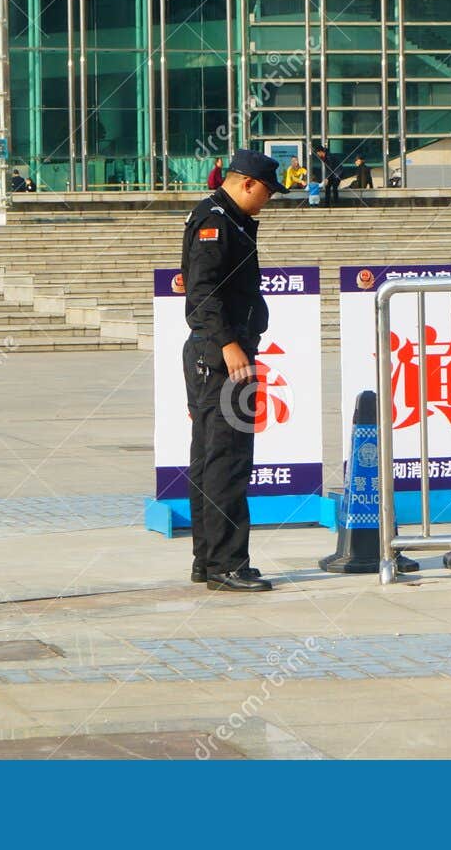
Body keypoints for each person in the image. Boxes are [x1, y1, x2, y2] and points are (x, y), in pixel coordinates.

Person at [181, 149, 282, 592]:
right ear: (246, 183)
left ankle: (209, 559)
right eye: (266, 192)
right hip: (222, 355)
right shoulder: (218, 220)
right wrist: (227, 344)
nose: (268, 201)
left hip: (216, 353)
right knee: (228, 460)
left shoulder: (223, 217)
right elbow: (202, 290)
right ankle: (226, 563)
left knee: (209, 459)